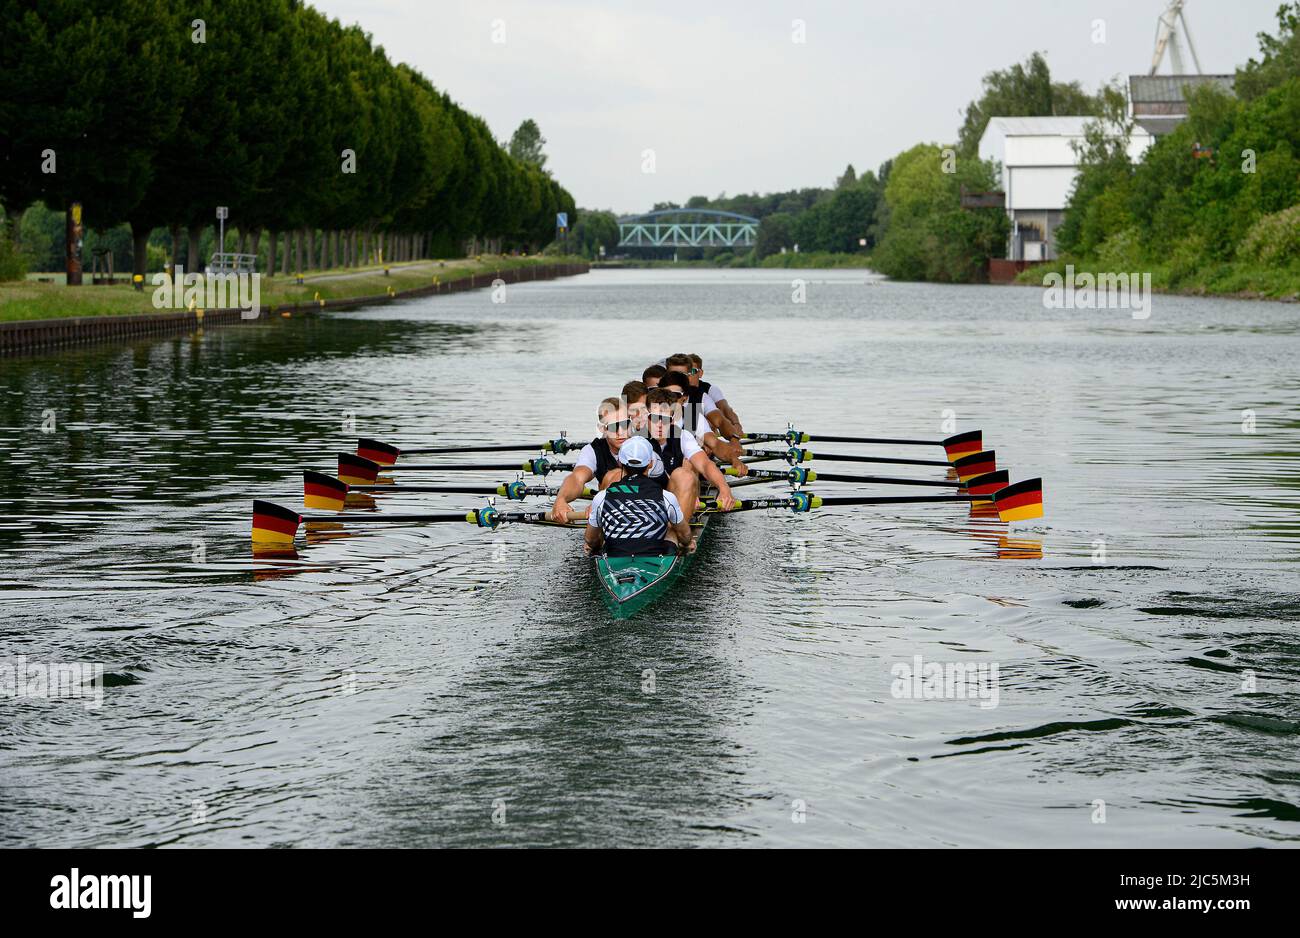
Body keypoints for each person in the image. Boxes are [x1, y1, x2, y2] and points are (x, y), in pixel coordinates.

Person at [584, 437, 691, 557]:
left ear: (620, 462)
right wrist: (687, 543)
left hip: (615, 558)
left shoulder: (601, 497)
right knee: (671, 530)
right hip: (654, 560)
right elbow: (685, 536)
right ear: (650, 463)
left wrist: (596, 545)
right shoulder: (666, 497)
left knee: (602, 532)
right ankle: (669, 559)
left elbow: (590, 539)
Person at [644, 386, 737, 519]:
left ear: (672, 420)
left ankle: (678, 529)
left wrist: (724, 488)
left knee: (684, 473)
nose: (659, 424)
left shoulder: (682, 436)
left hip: (670, 498)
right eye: (654, 418)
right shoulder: (636, 441)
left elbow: (705, 465)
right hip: (645, 500)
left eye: (665, 419)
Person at [549, 396, 635, 523]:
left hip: (642, 502)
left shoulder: (642, 445)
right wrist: (561, 500)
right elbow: (577, 478)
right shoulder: (592, 450)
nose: (621, 432)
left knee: (616, 475)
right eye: (613, 427)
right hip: (613, 509)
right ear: (602, 429)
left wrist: (598, 502)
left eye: (625, 424)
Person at [664, 353, 741, 441]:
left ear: (689, 375)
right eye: (673, 374)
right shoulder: (655, 397)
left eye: (682, 375)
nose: (676, 379)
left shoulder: (702, 395)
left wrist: (734, 436)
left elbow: (721, 418)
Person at [688, 354, 743, 438]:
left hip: (705, 430)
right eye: (684, 372)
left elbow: (725, 409)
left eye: (692, 371)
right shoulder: (676, 391)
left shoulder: (709, 390)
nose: (688, 375)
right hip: (687, 429)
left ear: (700, 373)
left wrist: (736, 424)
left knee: (715, 416)